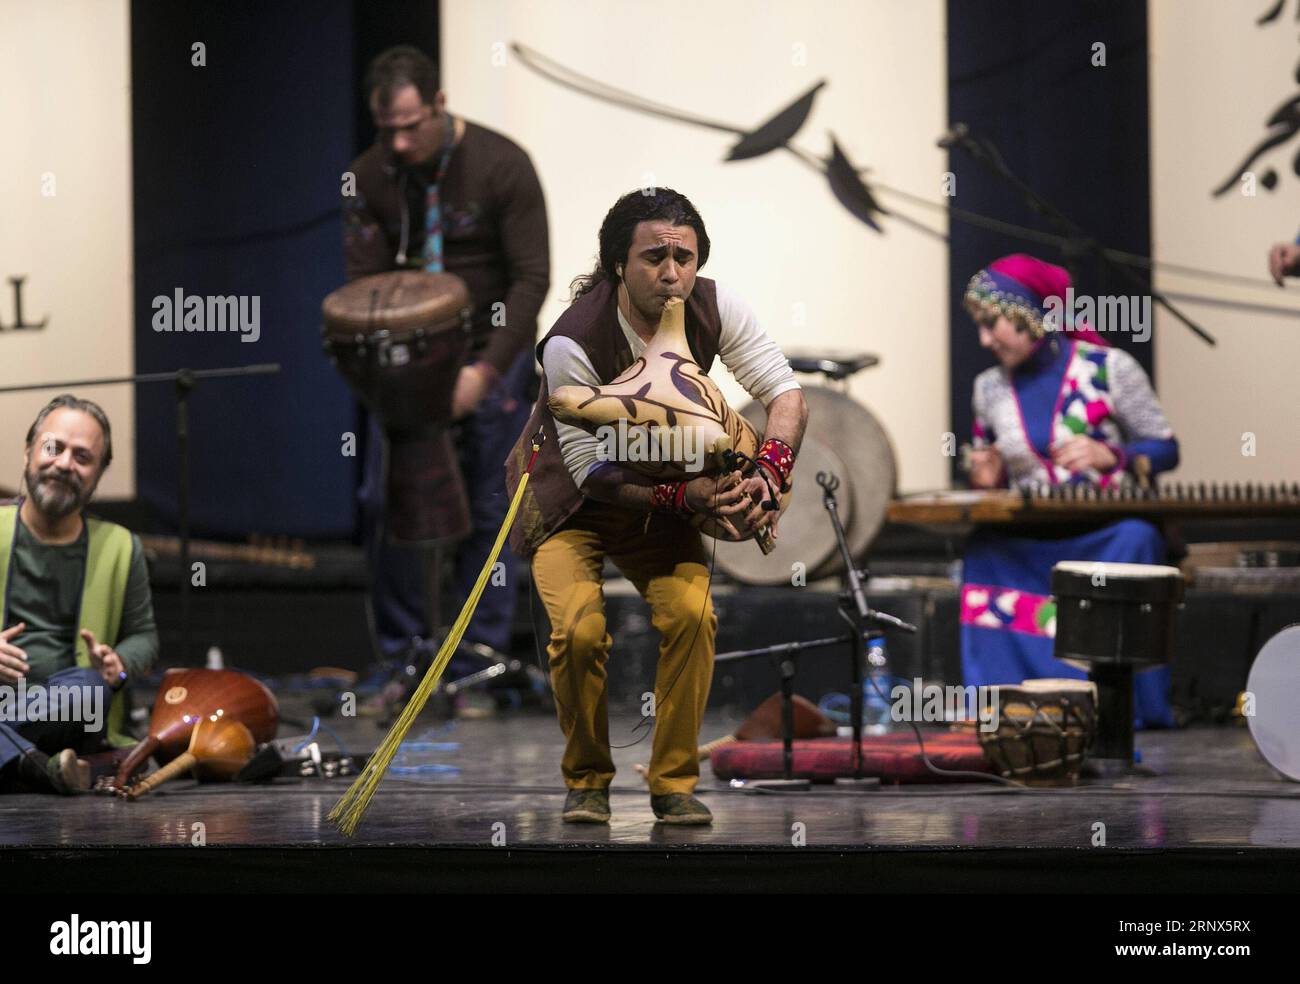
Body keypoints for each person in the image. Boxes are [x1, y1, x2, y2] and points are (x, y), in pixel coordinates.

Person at [504, 188, 808, 824]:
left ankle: (672, 780)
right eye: (653, 257)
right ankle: (587, 779)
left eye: (684, 256)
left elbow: (784, 395)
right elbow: (592, 472)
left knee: (694, 616)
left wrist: (768, 474)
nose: (672, 272)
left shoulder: (716, 306)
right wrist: (687, 497)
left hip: (665, 503)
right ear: (619, 263)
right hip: (574, 502)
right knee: (580, 632)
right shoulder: (572, 342)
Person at [342, 45, 549, 673]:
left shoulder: (501, 163)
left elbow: (531, 278)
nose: (399, 144)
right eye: (387, 131)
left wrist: (482, 373)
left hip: (491, 354)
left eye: (411, 126)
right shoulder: (369, 176)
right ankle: (405, 652)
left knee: (495, 501)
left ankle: (477, 653)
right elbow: (360, 291)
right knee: (386, 500)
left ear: (439, 103)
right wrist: (399, 381)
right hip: (403, 367)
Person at [961, 254, 1180, 727]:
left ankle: (1123, 708)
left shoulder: (1109, 368)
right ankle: (1008, 704)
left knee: (1137, 538)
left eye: (992, 323)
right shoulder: (988, 389)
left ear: (1027, 312)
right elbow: (989, 461)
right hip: (1033, 534)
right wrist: (987, 473)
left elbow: (1166, 448)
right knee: (982, 549)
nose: (984, 339)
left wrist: (1114, 457)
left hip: (1103, 530)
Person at [0, 395, 159, 794]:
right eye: (53, 447)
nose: (65, 464)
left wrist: (119, 664)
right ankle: (34, 766)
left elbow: (145, 636)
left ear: (98, 474)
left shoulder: (122, 546)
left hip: (74, 714)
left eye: (83, 457)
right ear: (28, 452)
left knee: (88, 688)